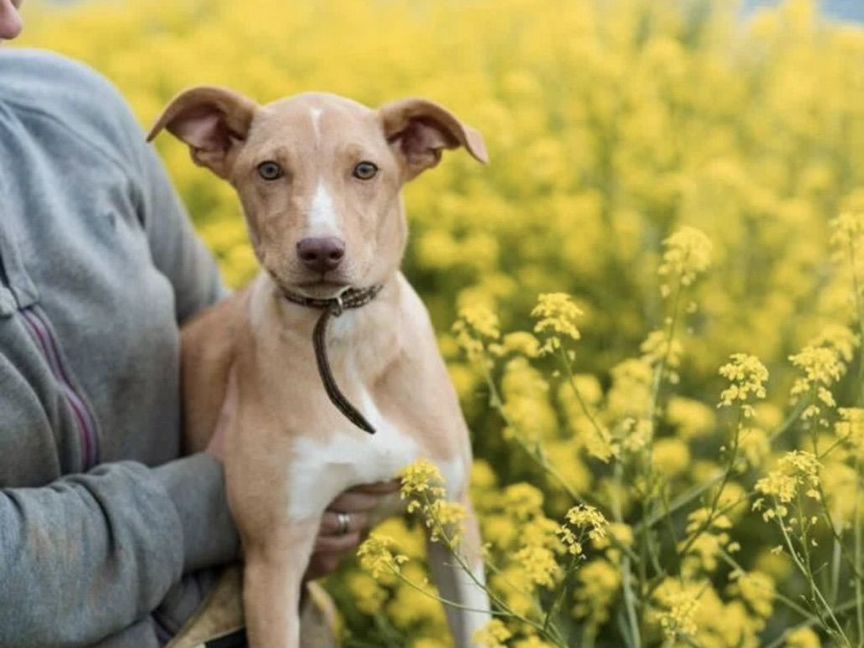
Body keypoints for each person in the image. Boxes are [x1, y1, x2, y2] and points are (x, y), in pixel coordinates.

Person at [0, 1, 396, 646]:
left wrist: (334, 487)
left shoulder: (73, 108)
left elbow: (223, 339)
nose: (11, 20)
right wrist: (223, 504)